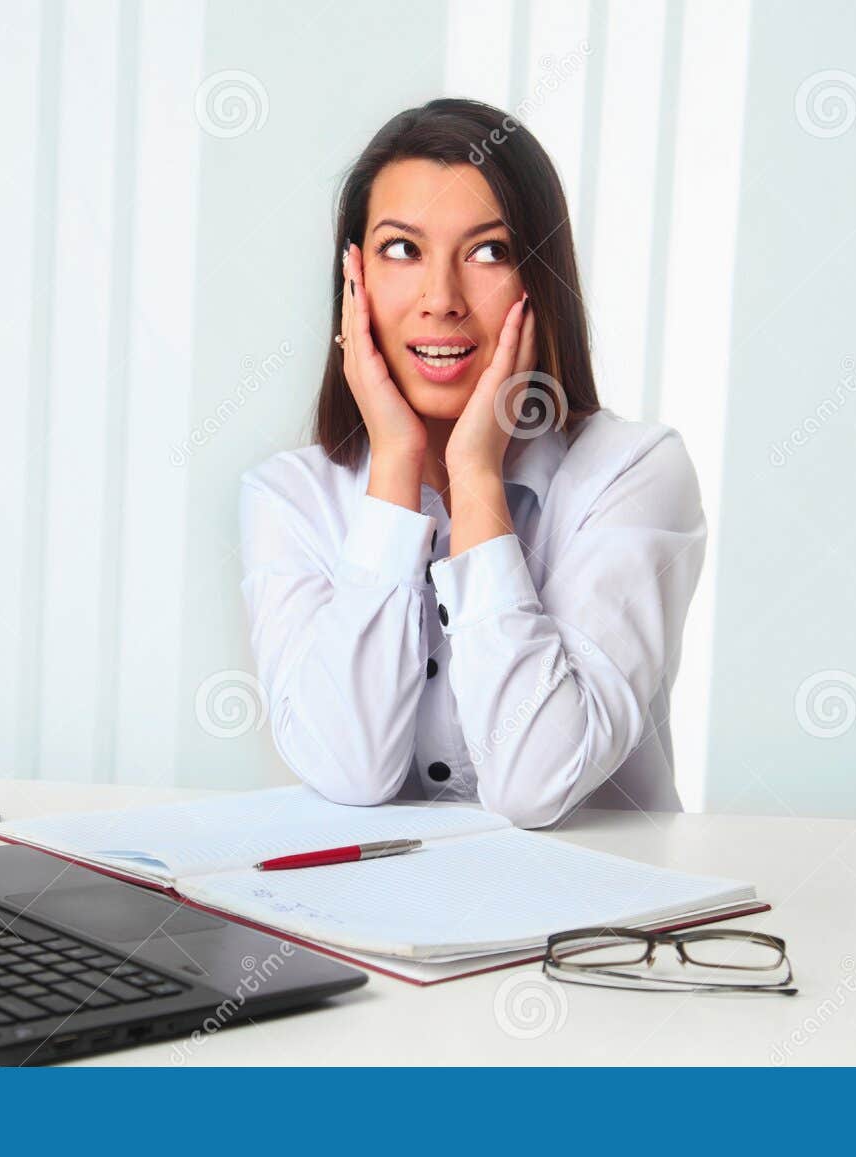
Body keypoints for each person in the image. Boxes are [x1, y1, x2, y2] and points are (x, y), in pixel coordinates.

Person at [238, 98, 706, 829]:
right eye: (402, 249)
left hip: (594, 931)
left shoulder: (634, 473)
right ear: (353, 277)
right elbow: (349, 769)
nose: (442, 300)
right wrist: (395, 464)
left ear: (537, 277)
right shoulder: (290, 497)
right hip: (382, 931)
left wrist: (477, 478)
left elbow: (535, 781)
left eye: (489, 251)